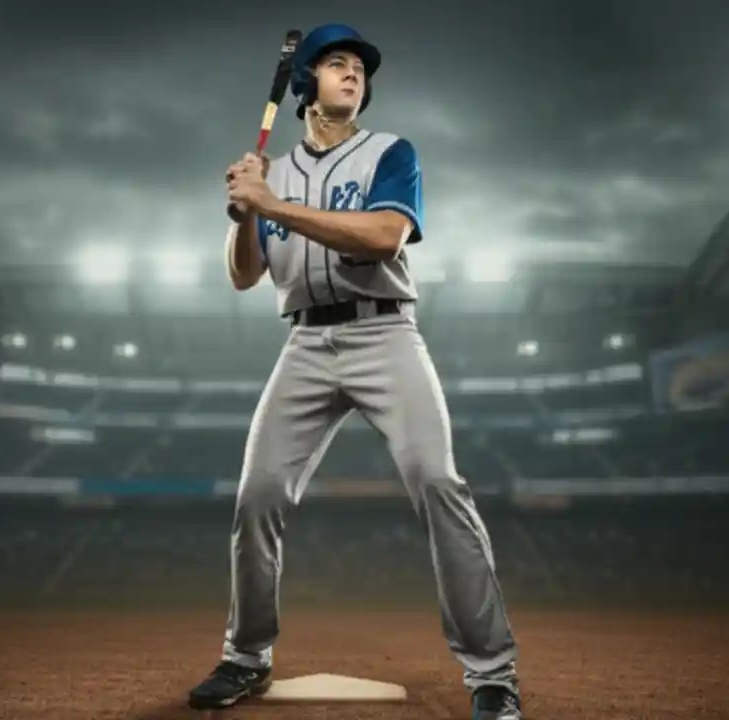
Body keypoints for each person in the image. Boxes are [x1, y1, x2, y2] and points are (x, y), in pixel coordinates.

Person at [188, 23, 522, 720]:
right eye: (336, 64)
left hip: (385, 332)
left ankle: (493, 673)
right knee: (256, 497)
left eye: (360, 70)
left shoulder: (391, 153)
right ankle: (246, 657)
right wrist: (243, 211)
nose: (353, 75)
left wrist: (273, 204)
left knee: (439, 481)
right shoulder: (271, 170)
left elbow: (383, 237)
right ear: (307, 81)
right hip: (304, 343)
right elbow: (245, 276)